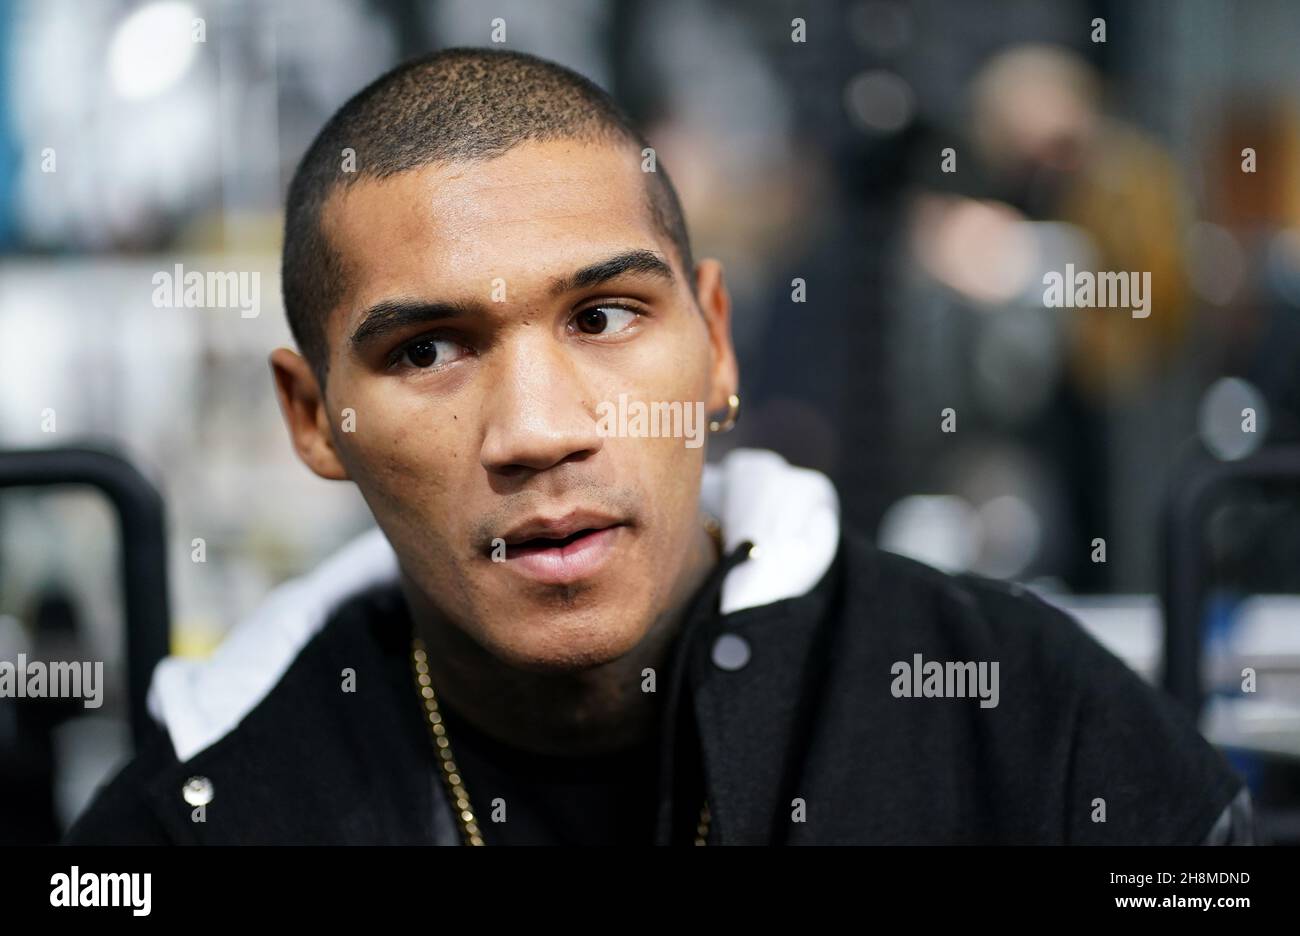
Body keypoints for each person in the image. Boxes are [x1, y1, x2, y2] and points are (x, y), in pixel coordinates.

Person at [66, 48, 1251, 845]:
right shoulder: (200, 815)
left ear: (718, 346)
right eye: (428, 350)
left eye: (603, 317)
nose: (540, 431)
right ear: (316, 420)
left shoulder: (1028, 723)